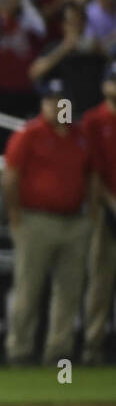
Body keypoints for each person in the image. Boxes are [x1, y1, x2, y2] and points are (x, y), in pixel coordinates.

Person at [3, 79, 93, 365]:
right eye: (51, 100)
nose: (56, 105)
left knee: (69, 291)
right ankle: (19, 350)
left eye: (61, 100)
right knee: (28, 288)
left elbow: (92, 176)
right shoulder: (29, 134)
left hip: (74, 222)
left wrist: (90, 214)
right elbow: (10, 177)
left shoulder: (80, 136)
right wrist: (14, 214)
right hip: (35, 220)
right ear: (43, 105)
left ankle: (59, 351)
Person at [80, 64, 116, 365]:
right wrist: (107, 201)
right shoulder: (93, 120)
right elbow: (91, 171)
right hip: (104, 211)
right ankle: (93, 346)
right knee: (100, 282)